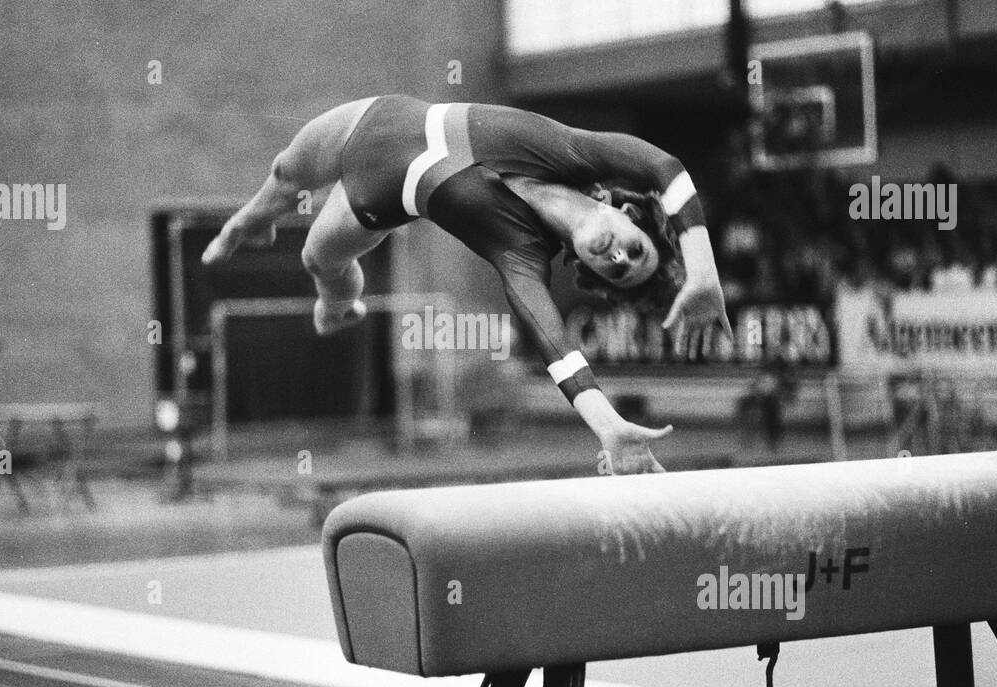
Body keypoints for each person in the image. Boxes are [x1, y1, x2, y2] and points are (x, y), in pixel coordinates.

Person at [203, 95, 730, 474]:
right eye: (632, 249)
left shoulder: (521, 252)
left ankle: (337, 301)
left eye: (616, 269)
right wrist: (702, 270)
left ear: (589, 274)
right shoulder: (573, 153)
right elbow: (664, 166)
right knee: (284, 173)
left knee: (318, 259)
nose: (617, 255)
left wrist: (607, 424)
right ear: (626, 211)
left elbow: (554, 343)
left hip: (381, 196)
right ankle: (243, 225)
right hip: (379, 118)